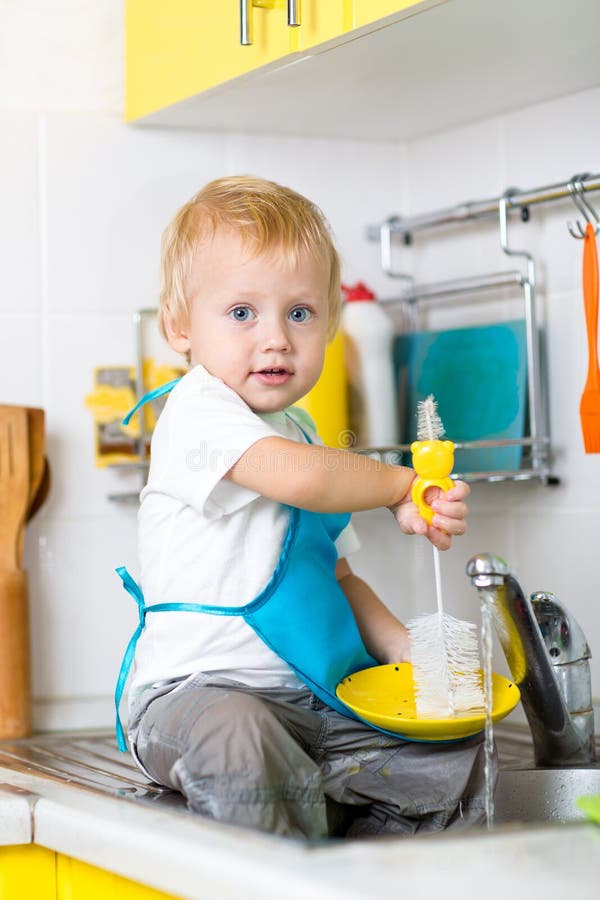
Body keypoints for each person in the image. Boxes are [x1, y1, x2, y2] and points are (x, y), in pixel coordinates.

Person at [116, 175, 492, 840]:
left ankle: (351, 859)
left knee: (449, 756)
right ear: (179, 327)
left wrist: (408, 657)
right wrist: (401, 486)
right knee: (242, 734)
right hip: (194, 702)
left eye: (299, 313)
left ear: (329, 322)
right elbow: (302, 480)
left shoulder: (304, 433)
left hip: (312, 706)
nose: (275, 339)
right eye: (241, 313)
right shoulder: (198, 409)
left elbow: (339, 580)